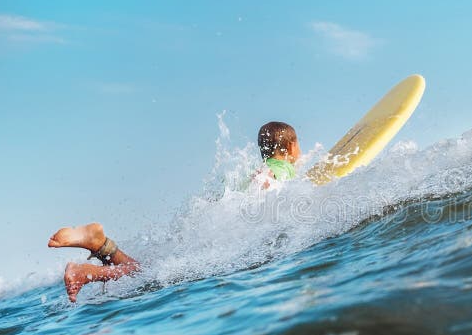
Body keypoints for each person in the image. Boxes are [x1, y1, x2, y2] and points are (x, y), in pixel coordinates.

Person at [48, 121, 301, 303]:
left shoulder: (252, 170)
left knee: (146, 269)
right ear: (290, 148)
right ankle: (87, 272)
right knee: (149, 275)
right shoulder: (285, 168)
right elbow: (266, 182)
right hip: (225, 234)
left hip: (212, 228)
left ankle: (100, 244)